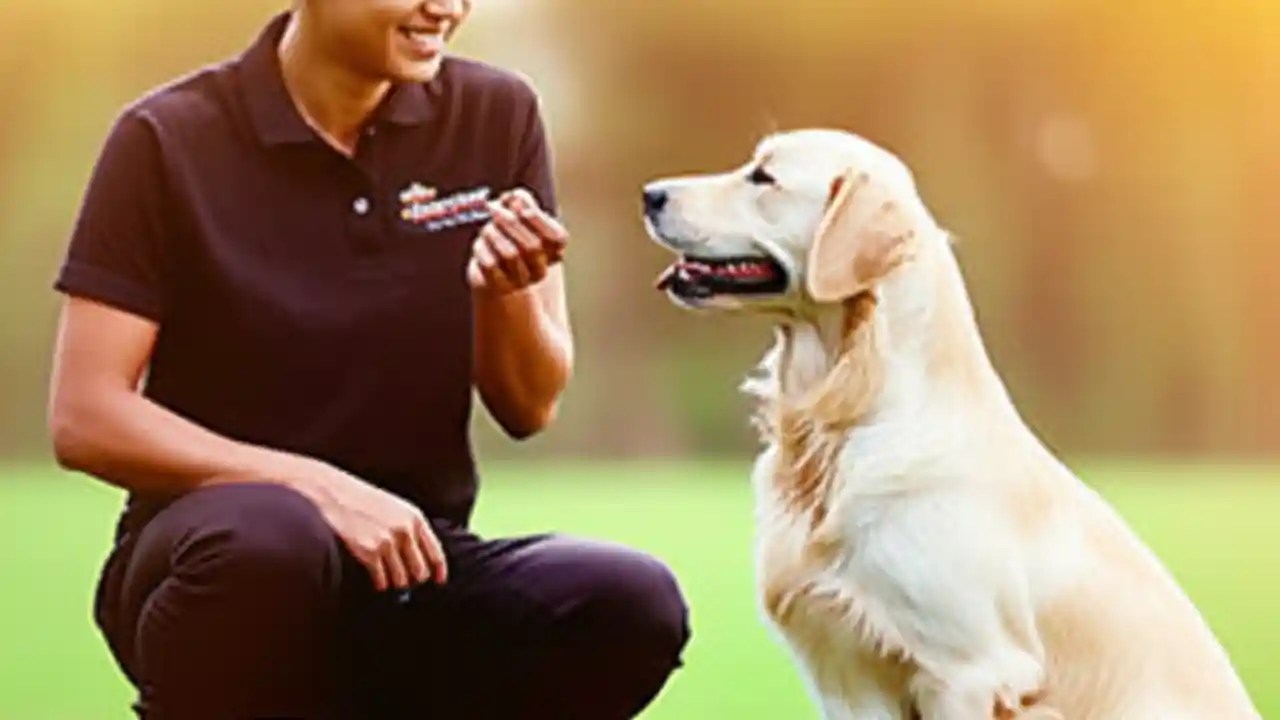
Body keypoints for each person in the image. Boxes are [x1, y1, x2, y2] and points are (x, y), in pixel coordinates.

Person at [46, 2, 690, 717]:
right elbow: (86, 416)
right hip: (216, 562)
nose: (444, 6)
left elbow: (530, 406)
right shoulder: (165, 138)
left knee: (629, 602)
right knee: (272, 540)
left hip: (413, 566)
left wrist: (500, 295)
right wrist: (315, 487)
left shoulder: (496, 113)